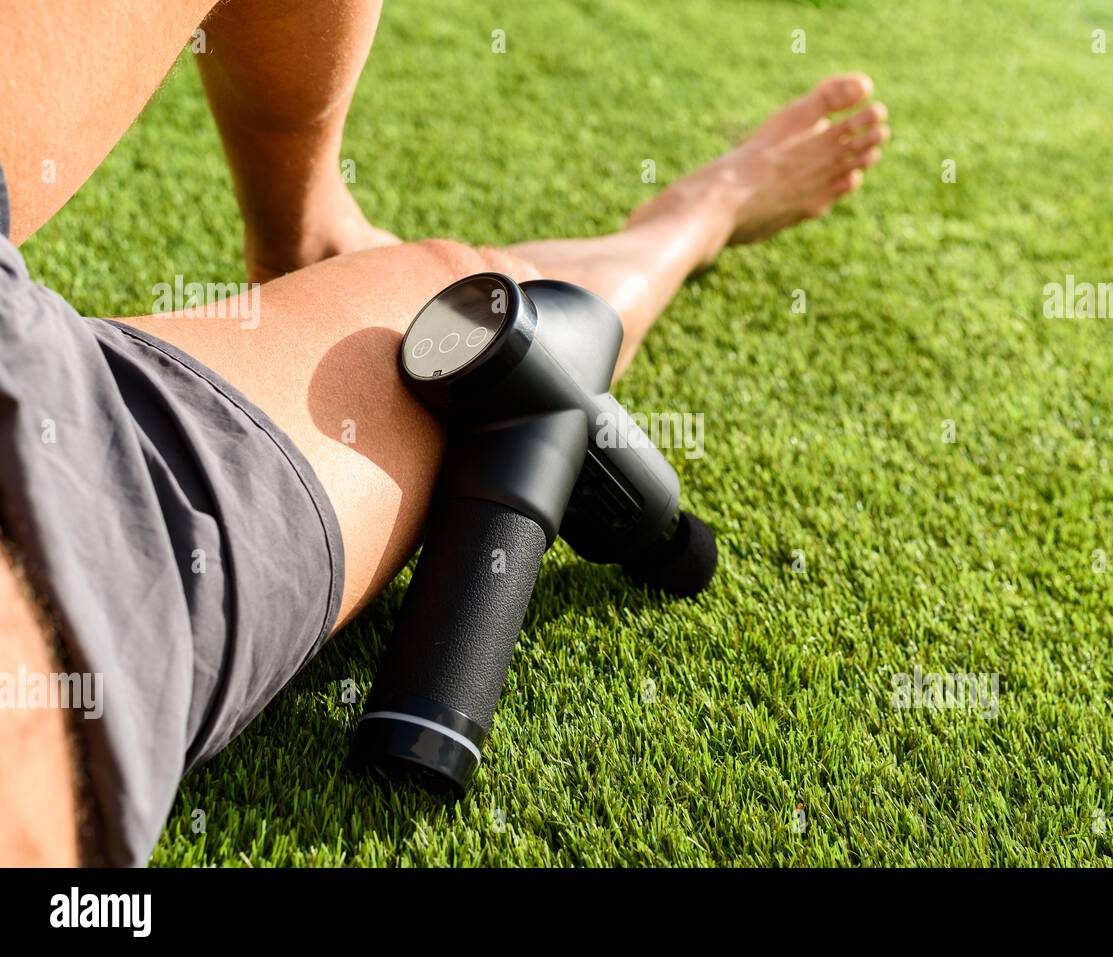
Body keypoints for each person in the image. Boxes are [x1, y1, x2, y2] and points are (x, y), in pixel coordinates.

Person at [0, 0, 890, 866]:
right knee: (484, 313)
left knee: (490, 332)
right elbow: (504, 345)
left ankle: (306, 232)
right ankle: (690, 221)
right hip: (63, 539)